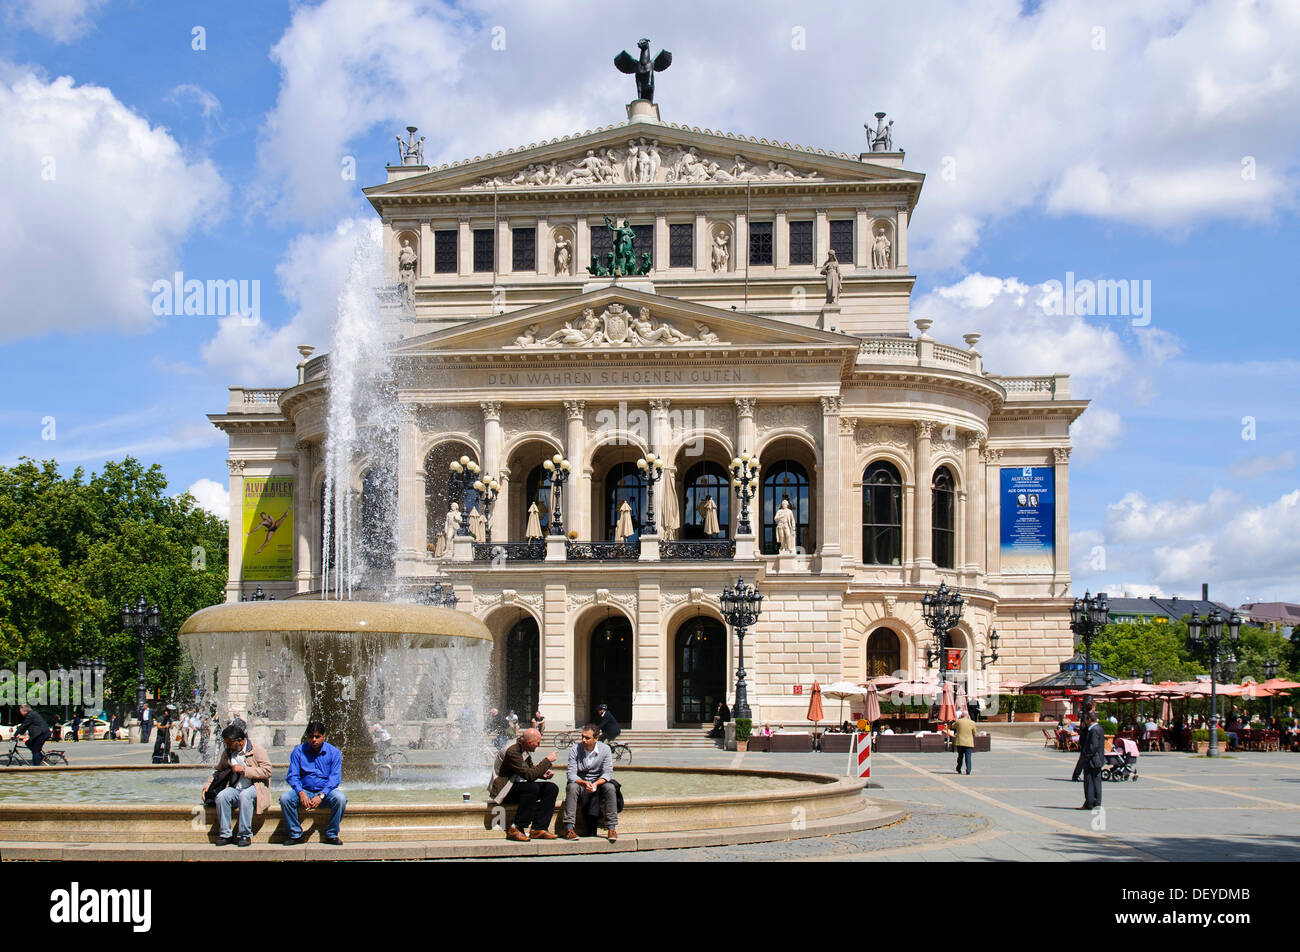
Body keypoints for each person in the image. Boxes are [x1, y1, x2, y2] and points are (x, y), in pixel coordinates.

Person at [203, 723, 272, 847]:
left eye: (230, 743)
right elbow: (218, 771)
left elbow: (267, 771)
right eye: (226, 744)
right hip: (235, 788)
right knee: (222, 796)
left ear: (240, 740)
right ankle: (225, 834)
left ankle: (245, 834)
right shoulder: (228, 753)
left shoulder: (256, 750)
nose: (228, 746)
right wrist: (207, 785)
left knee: (245, 796)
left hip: (255, 787)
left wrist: (245, 770)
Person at [280, 721, 346, 845]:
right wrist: (300, 793)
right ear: (307, 737)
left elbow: (335, 778)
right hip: (304, 790)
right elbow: (292, 776)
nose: (314, 740)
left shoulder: (334, 752)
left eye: (317, 737)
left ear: (324, 737)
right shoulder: (298, 751)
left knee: (341, 799)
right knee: (285, 799)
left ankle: (331, 834)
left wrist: (322, 795)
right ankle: (296, 834)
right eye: (311, 737)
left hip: (325, 792)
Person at [489, 727, 559, 842]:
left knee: (551, 788)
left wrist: (543, 774)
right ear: (529, 742)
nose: (539, 745)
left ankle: (539, 828)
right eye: (537, 742)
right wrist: (548, 761)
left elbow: (530, 770)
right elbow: (529, 776)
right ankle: (516, 828)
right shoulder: (513, 751)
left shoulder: (524, 748)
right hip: (504, 790)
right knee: (532, 788)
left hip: (517, 787)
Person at [561, 724, 622, 842]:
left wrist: (596, 784)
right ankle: (569, 828)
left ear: (596, 738)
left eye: (587, 738)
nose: (583, 740)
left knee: (610, 787)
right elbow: (571, 774)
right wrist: (584, 782)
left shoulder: (605, 749)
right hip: (581, 783)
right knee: (572, 787)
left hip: (598, 783)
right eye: (582, 736)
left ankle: (611, 827)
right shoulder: (575, 749)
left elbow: (608, 773)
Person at [1077, 710, 1105, 810]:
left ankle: (1089, 803)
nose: (1085, 721)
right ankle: (1096, 802)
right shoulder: (1099, 728)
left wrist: (1086, 757)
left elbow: (1093, 746)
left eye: (1086, 719)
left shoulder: (1093, 730)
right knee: (1096, 781)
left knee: (1089, 781)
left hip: (1092, 760)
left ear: (1089, 719)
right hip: (1098, 759)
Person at [948, 710, 977, 774]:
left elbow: (952, 726)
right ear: (968, 715)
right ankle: (968, 770)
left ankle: (958, 768)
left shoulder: (959, 721)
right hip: (969, 742)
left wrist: (958, 719)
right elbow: (975, 732)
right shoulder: (972, 722)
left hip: (960, 741)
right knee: (968, 757)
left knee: (960, 756)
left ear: (962, 715)